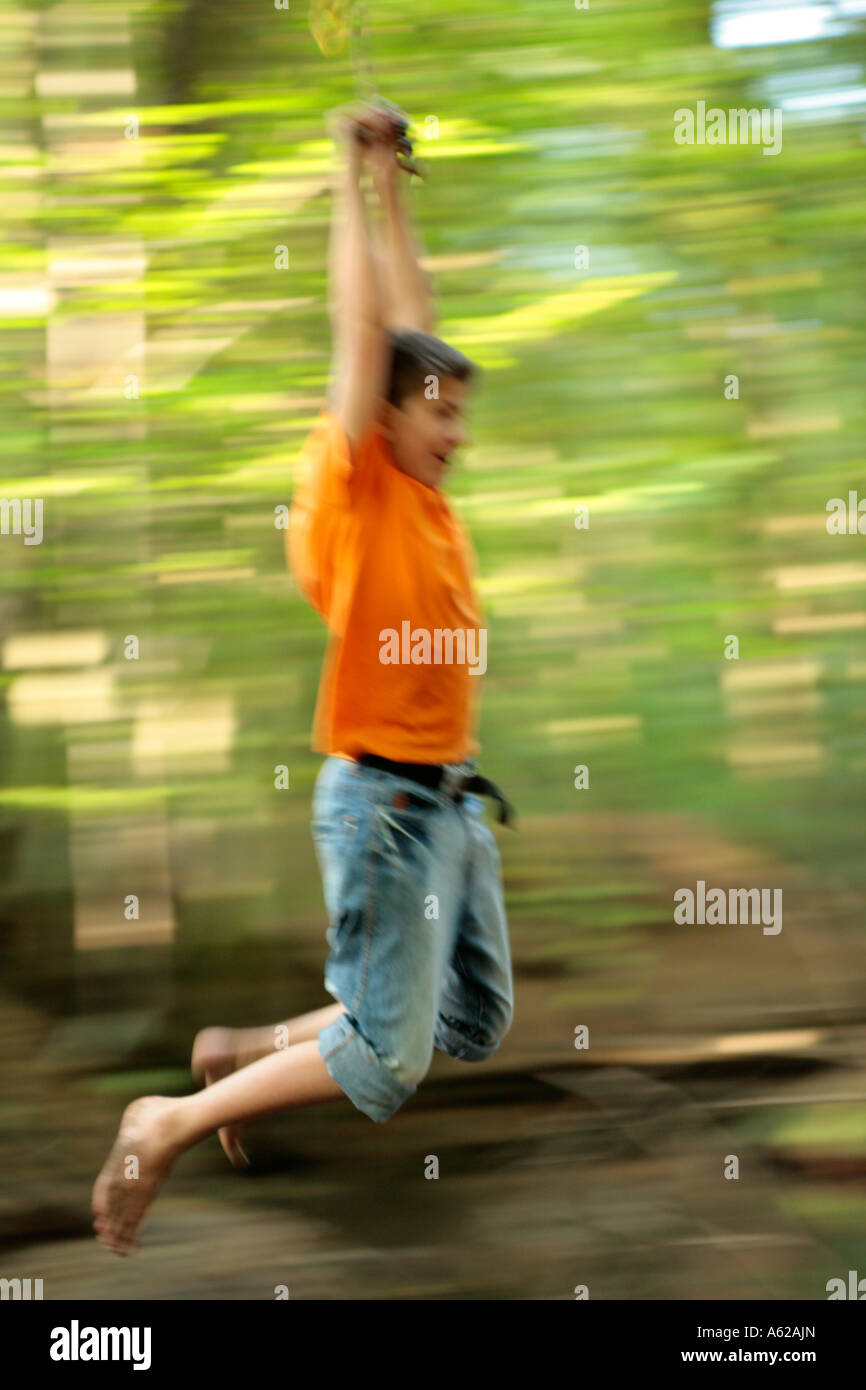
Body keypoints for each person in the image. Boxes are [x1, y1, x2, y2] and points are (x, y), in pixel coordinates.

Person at [92, 103, 514, 1256]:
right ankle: (169, 1118)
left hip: (449, 797)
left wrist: (392, 183)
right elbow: (364, 325)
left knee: (471, 1019)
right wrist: (344, 171)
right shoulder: (357, 480)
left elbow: (412, 326)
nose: (455, 433)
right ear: (379, 416)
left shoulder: (421, 490)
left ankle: (241, 1048)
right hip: (382, 806)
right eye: (437, 413)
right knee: (384, 1055)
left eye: (458, 412)